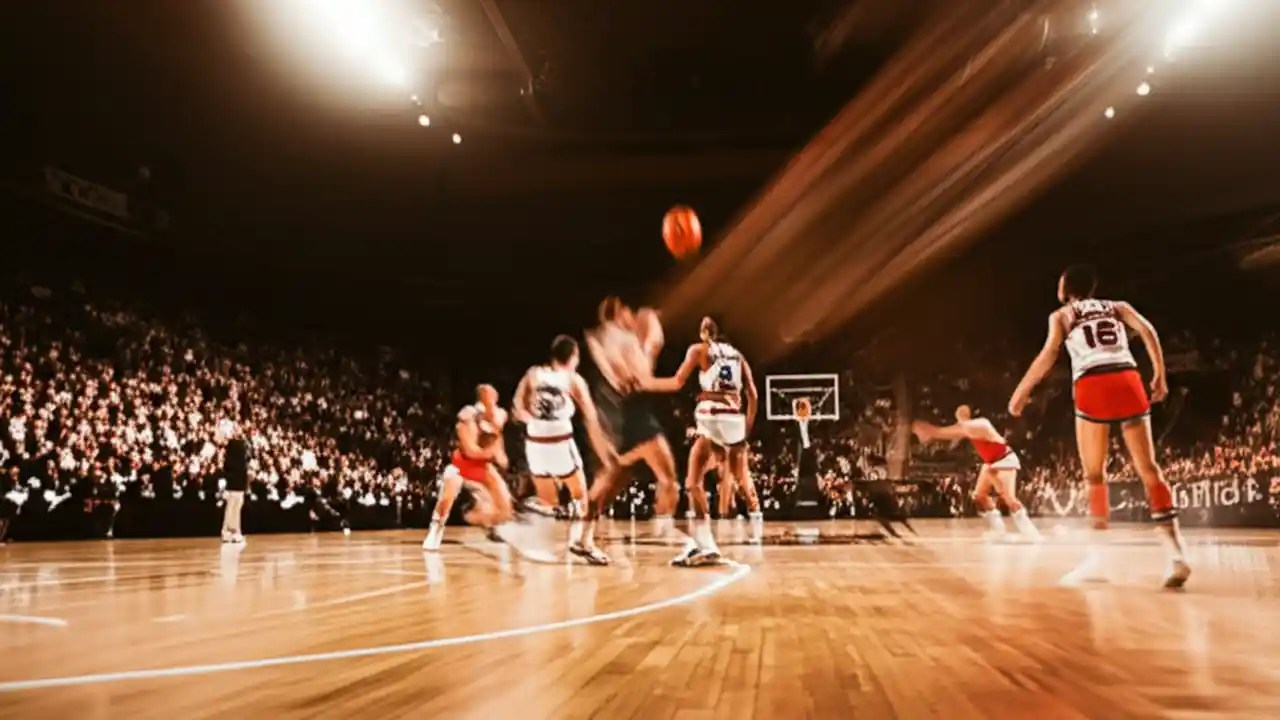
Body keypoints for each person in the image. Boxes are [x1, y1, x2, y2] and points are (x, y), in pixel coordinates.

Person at [1009, 265, 1189, 588]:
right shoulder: (1118, 307)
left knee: (1094, 474)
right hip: (1128, 376)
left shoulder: (1062, 315)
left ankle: (1099, 559)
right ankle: (1176, 554)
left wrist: (1022, 391)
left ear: (1066, 289)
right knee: (1149, 468)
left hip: (1093, 382)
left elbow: (1049, 353)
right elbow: (1148, 331)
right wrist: (1160, 374)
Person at [642, 316, 761, 564]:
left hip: (712, 417)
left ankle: (706, 544)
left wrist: (647, 383)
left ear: (705, 332)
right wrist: (746, 427)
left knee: (693, 483)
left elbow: (677, 382)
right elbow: (753, 394)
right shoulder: (737, 355)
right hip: (735, 421)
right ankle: (754, 525)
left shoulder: (699, 349)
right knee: (741, 477)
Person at [573, 297, 681, 565]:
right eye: (629, 313)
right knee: (669, 479)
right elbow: (641, 379)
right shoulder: (624, 339)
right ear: (620, 313)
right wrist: (675, 377)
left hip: (621, 416)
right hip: (636, 414)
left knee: (611, 481)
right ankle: (668, 532)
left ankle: (582, 536)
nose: (634, 317)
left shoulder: (605, 338)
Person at [423, 384, 553, 561]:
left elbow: (497, 438)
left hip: (483, 465)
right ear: (481, 396)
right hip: (462, 463)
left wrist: (500, 453)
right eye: (488, 393)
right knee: (447, 496)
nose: (492, 396)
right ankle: (436, 529)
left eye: (493, 393)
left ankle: (484, 522)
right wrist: (492, 453)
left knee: (506, 509)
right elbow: (470, 450)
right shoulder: (469, 415)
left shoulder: (499, 415)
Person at [512, 334, 616, 551]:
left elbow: (517, 408)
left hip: (534, 441)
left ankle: (534, 538)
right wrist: (604, 447)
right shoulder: (573, 379)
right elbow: (590, 415)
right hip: (559, 440)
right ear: (574, 357)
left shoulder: (533, 374)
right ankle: (579, 542)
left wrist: (536, 420)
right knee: (580, 496)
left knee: (549, 502)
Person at [912, 405, 1041, 541]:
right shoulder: (968, 428)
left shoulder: (980, 424)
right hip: (991, 462)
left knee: (1009, 498)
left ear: (966, 415)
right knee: (979, 496)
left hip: (1003, 459)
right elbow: (954, 432)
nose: (959, 419)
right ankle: (998, 530)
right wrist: (931, 432)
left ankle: (1031, 533)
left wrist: (931, 431)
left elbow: (952, 432)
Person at [220, 418, 249, 545]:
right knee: (234, 508)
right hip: (236, 483)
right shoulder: (239, 446)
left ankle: (228, 532)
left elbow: (227, 466)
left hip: (234, 483)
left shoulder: (232, 447)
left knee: (231, 508)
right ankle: (233, 532)